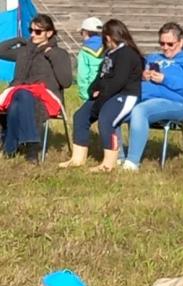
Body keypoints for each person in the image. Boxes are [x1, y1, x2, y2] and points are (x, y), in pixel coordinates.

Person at [120, 22, 183, 170]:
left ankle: (132, 163)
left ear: (181, 42)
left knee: (140, 110)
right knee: (112, 109)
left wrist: (165, 79)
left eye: (170, 44)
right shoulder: (153, 58)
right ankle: (117, 158)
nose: (165, 47)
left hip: (175, 105)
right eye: (162, 43)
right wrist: (142, 76)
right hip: (143, 98)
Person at [60, 18, 143, 172]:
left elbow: (119, 81)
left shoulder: (127, 53)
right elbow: (101, 76)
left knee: (106, 119)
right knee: (80, 116)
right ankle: (77, 159)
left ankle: (108, 163)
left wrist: (101, 100)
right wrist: (93, 90)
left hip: (125, 95)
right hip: (106, 95)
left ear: (110, 37)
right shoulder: (109, 53)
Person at [0, 13, 72, 162]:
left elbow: (66, 82)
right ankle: (30, 147)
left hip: (47, 97)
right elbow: (1, 51)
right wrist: (19, 39)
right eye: (31, 30)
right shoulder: (24, 52)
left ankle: (12, 147)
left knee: (20, 95)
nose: (33, 34)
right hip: (21, 95)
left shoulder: (59, 53)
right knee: (19, 95)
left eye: (38, 31)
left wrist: (51, 55)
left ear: (49, 33)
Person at [76, 16, 103, 102]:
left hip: (91, 91)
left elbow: (82, 76)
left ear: (85, 32)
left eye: (81, 32)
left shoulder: (84, 52)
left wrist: (85, 96)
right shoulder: (109, 48)